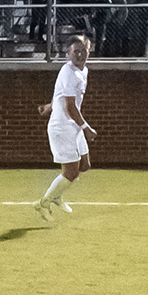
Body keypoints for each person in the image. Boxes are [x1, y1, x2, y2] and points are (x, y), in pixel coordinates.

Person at [35, 35, 95, 218]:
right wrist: (86, 128)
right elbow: (70, 108)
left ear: (89, 51)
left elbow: (61, 96)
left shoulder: (83, 71)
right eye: (76, 52)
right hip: (62, 128)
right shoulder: (68, 73)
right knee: (71, 172)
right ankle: (43, 203)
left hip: (73, 126)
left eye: (83, 51)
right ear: (68, 53)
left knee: (85, 165)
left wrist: (49, 106)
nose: (80, 55)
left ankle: (56, 195)